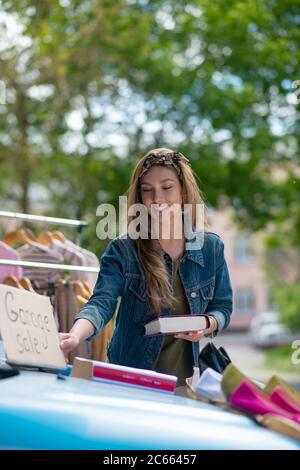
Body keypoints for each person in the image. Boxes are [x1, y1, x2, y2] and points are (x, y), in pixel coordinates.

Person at [59, 148, 232, 386]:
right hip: (130, 380)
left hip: (185, 383)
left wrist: (207, 323)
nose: (157, 198)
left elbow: (222, 307)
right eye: (147, 190)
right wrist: (75, 335)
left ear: (184, 191)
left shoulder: (211, 247)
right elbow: (101, 303)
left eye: (167, 187)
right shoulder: (123, 250)